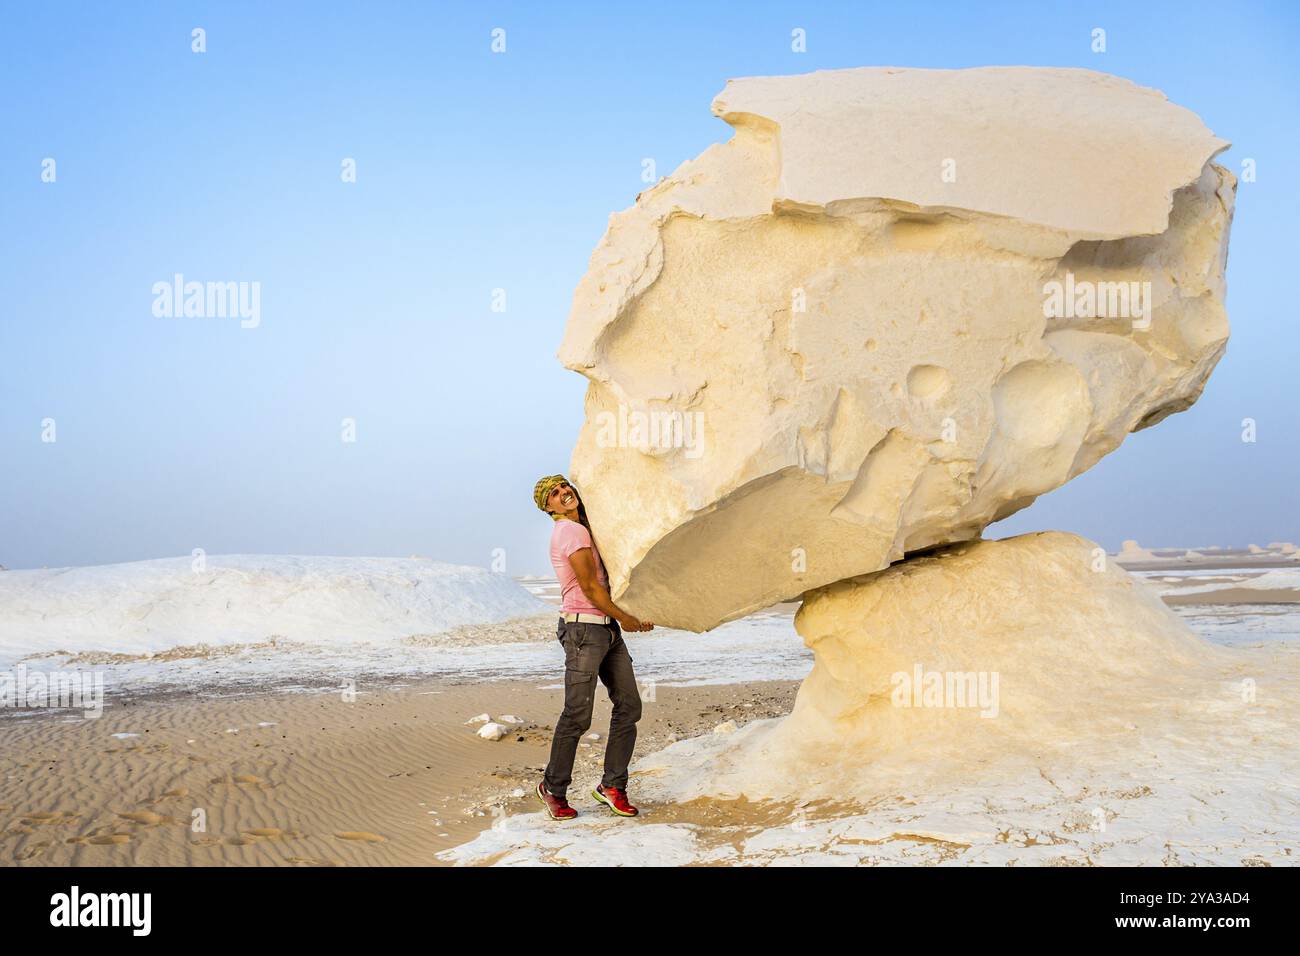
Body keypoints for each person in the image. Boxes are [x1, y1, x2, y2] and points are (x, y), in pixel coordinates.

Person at [532, 474, 653, 820]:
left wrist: (623, 618)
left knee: (629, 706)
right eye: (554, 494)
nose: (563, 493)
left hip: (606, 629)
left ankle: (612, 786)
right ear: (548, 507)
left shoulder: (585, 526)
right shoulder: (571, 532)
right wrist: (626, 618)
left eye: (564, 487)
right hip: (584, 629)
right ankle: (553, 789)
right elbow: (589, 587)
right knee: (577, 715)